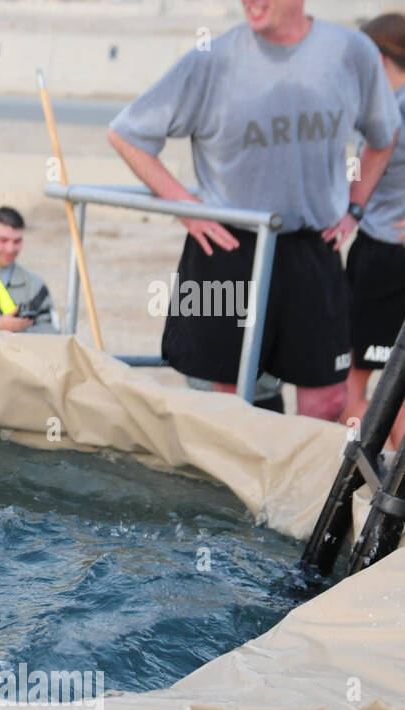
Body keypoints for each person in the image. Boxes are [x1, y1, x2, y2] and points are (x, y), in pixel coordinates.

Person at [106, 0, 401, 421]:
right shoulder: (212, 59)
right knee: (230, 395)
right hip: (227, 245)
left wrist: (355, 205)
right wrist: (186, 207)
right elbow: (126, 134)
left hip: (313, 245)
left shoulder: (350, 51)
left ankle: (302, 487)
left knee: (329, 400)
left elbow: (383, 133)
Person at [343, 12, 405, 448]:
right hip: (384, 250)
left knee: (352, 384)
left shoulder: (391, 107)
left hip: (384, 253)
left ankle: (364, 489)